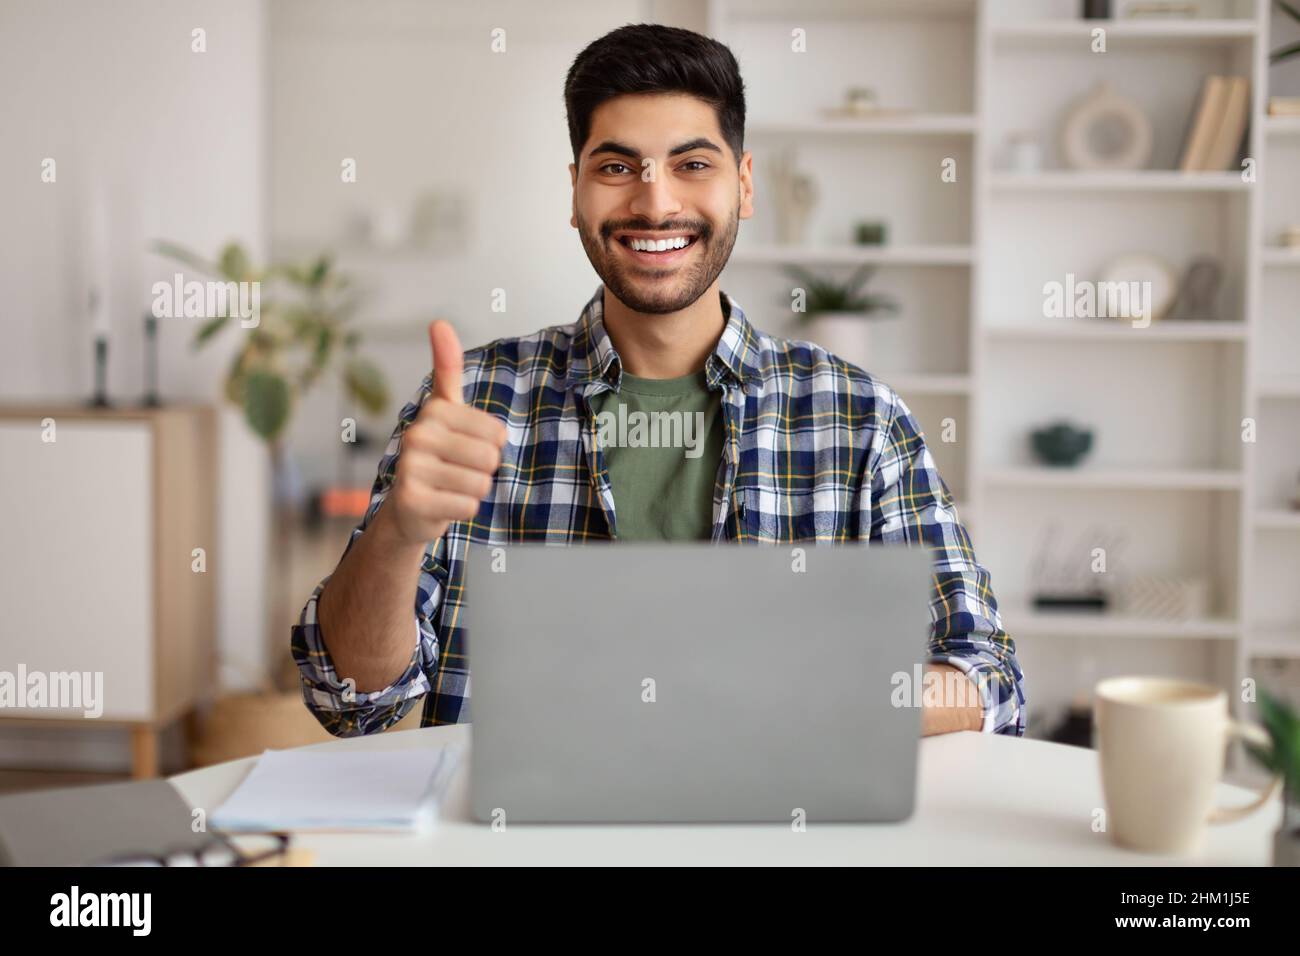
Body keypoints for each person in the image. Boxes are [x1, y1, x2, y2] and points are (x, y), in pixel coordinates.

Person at [292, 23, 1025, 740]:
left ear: (743, 184)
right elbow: (352, 702)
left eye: (692, 164)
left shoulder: (858, 416)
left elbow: (986, 673)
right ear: (576, 192)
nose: (654, 203)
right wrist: (397, 535)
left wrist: (819, 697)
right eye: (616, 167)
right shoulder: (475, 399)